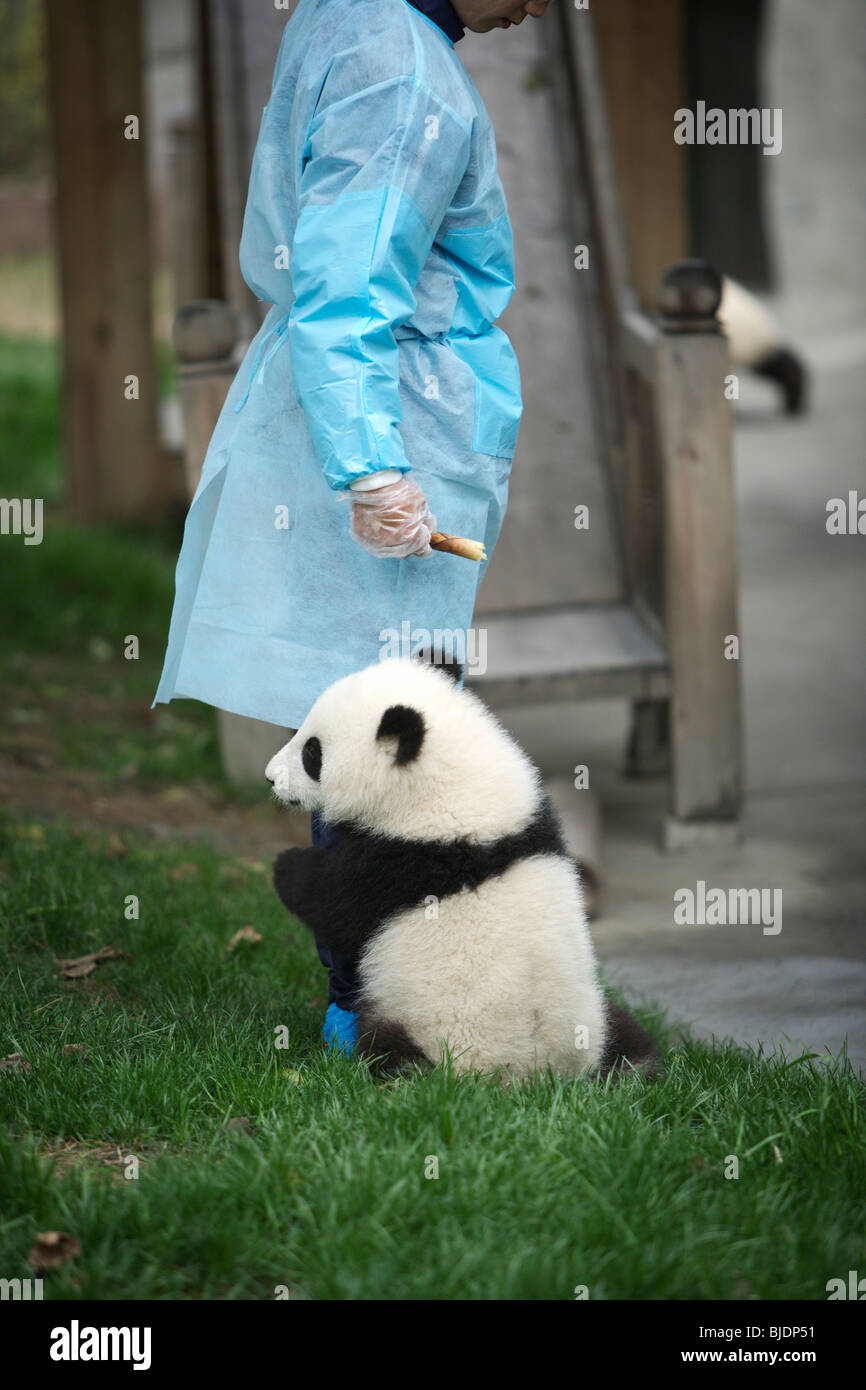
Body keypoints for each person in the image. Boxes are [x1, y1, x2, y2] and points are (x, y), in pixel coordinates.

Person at [154, 0, 550, 1050]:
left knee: (367, 723)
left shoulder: (349, 14)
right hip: (385, 413)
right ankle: (377, 1008)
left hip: (347, 406)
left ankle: (378, 995)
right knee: (391, 744)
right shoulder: (403, 72)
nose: (542, 7)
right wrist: (373, 463)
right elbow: (348, 282)